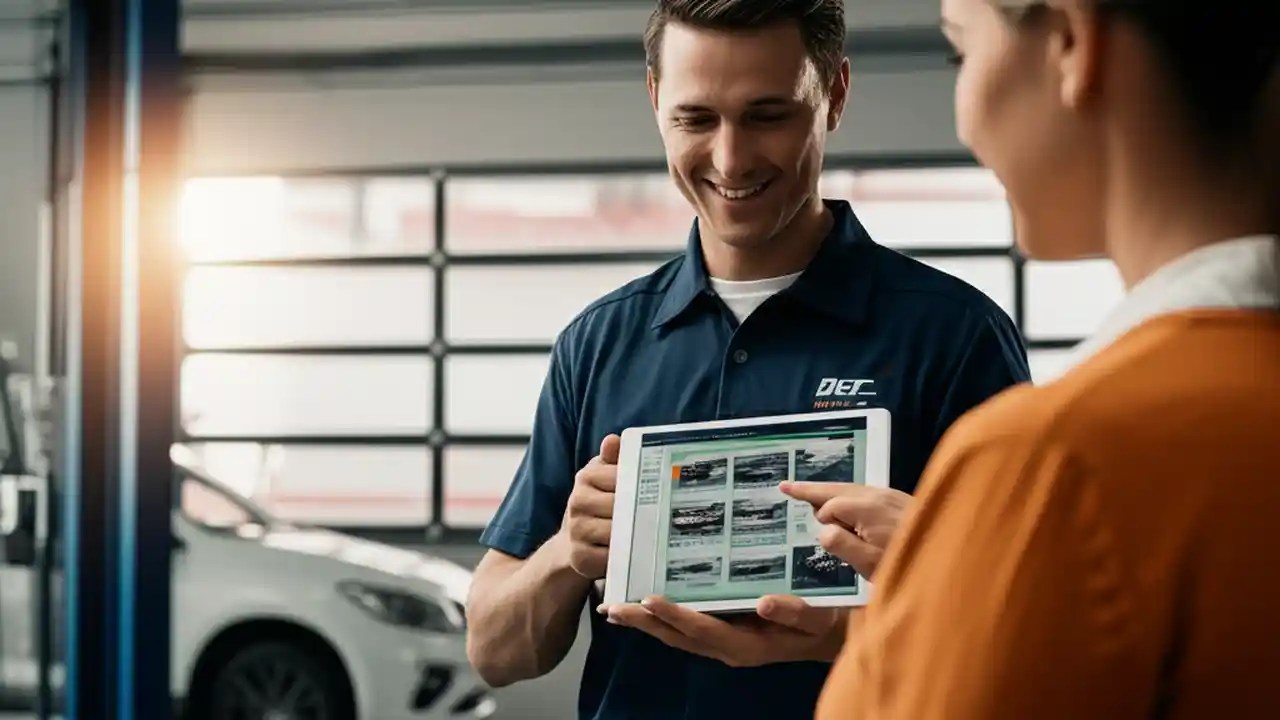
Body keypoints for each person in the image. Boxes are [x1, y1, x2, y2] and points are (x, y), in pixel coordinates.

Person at [464, 1, 1031, 718]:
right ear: (655, 100)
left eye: (768, 116)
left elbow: (1035, 636)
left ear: (835, 94)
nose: (730, 160)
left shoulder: (954, 337)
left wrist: (868, 619)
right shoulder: (599, 343)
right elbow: (493, 650)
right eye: (696, 119)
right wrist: (567, 555)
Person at [794, 0, 1280, 717]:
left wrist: (934, 600)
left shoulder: (1053, 462)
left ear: (1071, 42)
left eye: (962, 53)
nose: (963, 120)